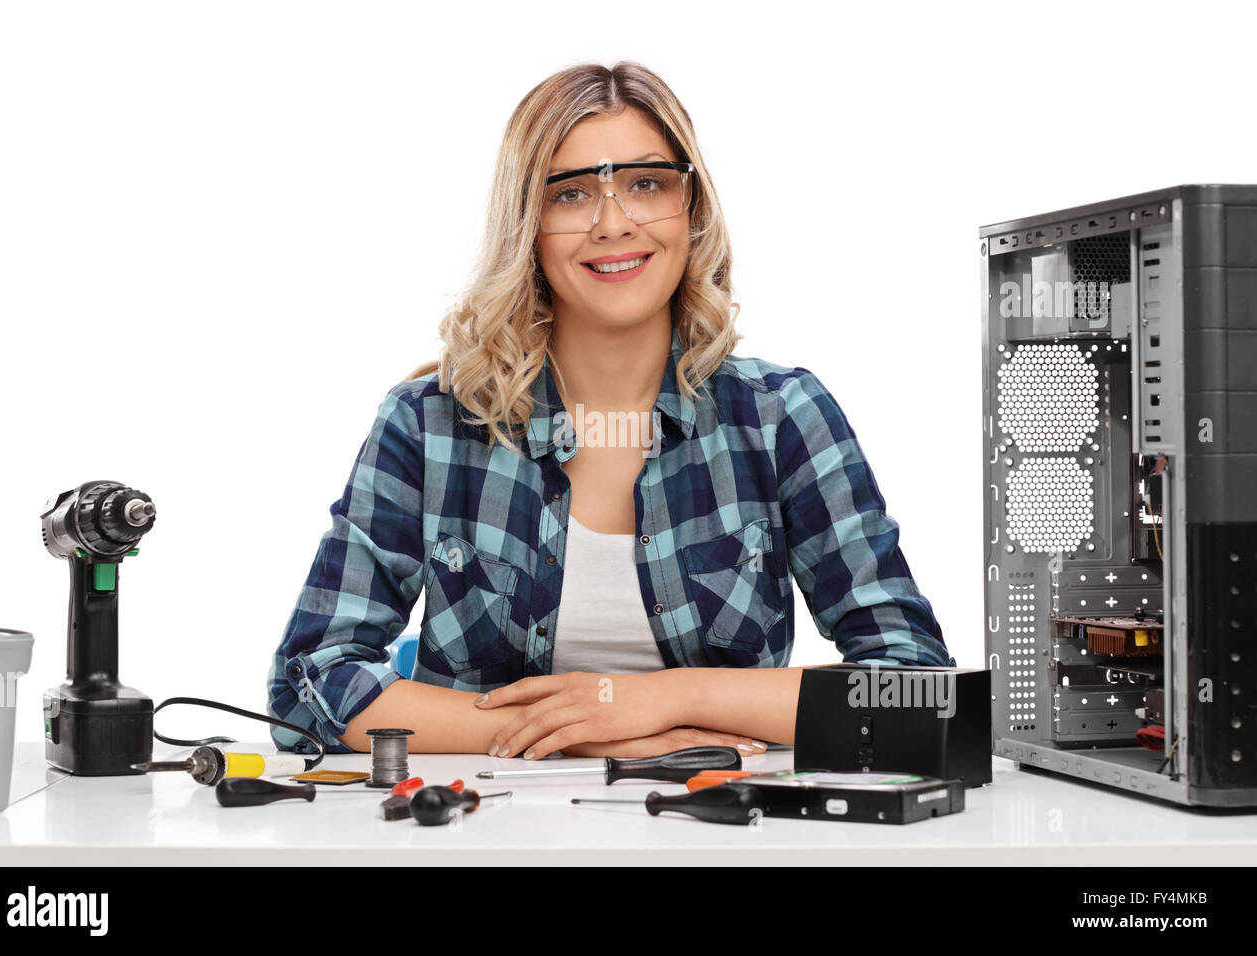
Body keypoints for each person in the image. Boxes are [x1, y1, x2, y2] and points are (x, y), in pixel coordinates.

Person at [266, 60, 954, 761]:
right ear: (526, 225)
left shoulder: (782, 418)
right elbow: (311, 683)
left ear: (692, 208)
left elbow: (917, 691)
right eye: (569, 195)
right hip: (477, 837)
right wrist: (580, 734)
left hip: (728, 833)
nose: (612, 223)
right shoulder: (427, 424)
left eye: (646, 183)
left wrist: (666, 701)